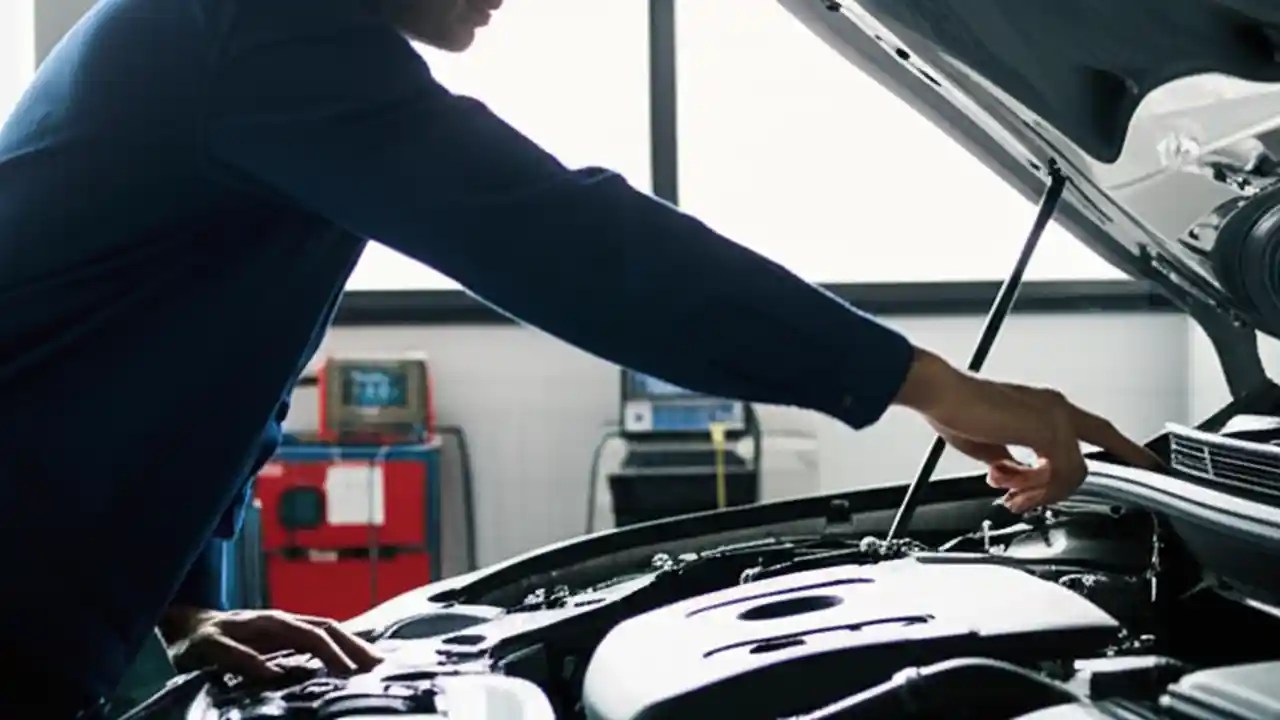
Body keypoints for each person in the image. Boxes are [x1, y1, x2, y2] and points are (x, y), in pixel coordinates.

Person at [0, 0, 1160, 715]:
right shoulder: (256, 31)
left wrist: (182, 610)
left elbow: (202, 371)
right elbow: (560, 239)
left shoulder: (242, 49)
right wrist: (928, 385)